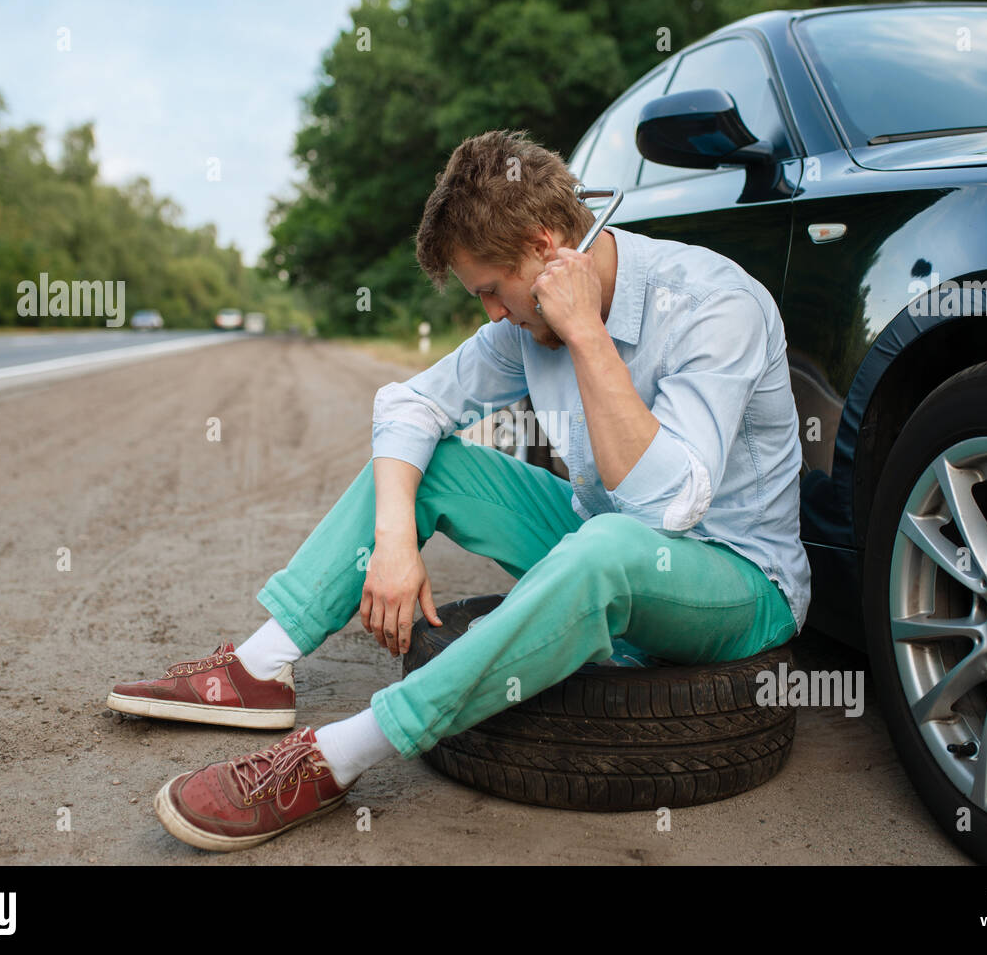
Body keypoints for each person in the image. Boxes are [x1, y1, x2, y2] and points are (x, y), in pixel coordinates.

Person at [107, 128, 811, 851]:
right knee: (434, 464)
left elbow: (667, 508)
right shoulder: (520, 321)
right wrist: (392, 543)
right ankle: (260, 667)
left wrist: (587, 335)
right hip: (600, 537)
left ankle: (339, 755)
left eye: (491, 292)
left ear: (544, 248)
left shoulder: (714, 303)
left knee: (608, 545)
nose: (493, 314)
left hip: (734, 577)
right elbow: (410, 406)